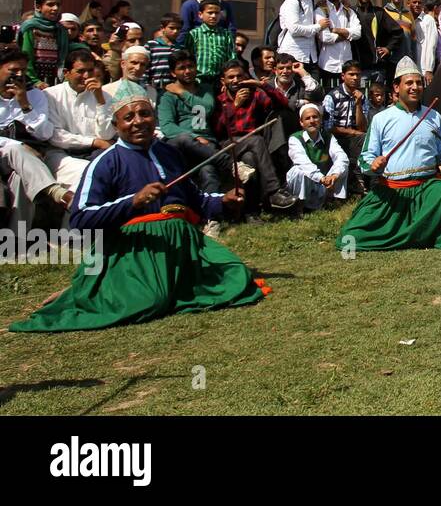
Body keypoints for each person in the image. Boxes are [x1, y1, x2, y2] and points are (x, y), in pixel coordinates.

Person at [9, 85, 266, 333]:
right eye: (128, 117)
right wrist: (132, 202)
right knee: (153, 300)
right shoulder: (105, 162)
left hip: (182, 244)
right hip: (135, 248)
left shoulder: (170, 153)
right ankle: (93, 284)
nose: (138, 121)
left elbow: (195, 199)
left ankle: (101, 284)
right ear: (116, 125)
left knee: (236, 274)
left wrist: (223, 200)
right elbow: (81, 218)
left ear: (154, 119)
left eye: (144, 114)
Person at [337, 57, 441, 251]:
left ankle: (418, 233)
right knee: (350, 237)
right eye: (409, 83)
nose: (415, 87)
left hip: (426, 186)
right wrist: (373, 166)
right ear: (396, 87)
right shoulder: (381, 119)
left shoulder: (433, 116)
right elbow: (364, 158)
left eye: (419, 83)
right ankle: (418, 234)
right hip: (392, 190)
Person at [0, 48, 70, 229]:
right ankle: (55, 191)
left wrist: (25, 104)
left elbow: (45, 134)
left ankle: (17, 238)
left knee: (20, 178)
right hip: (9, 152)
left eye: (23, 70)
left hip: (26, 158)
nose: (19, 75)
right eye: (13, 70)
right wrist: (19, 145)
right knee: (15, 149)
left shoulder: (35, 95)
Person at [214, 60, 294, 211]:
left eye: (239, 76)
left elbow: (283, 102)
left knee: (250, 158)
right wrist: (235, 106)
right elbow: (218, 129)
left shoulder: (254, 94)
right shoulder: (220, 100)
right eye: (231, 77)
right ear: (223, 80)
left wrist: (261, 85)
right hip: (228, 145)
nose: (236, 80)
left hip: (252, 146)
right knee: (256, 140)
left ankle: (251, 211)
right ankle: (274, 191)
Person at [157, 50, 230, 202]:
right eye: (182, 68)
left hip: (206, 144)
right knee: (184, 138)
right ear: (173, 73)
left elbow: (206, 109)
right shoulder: (168, 96)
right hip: (182, 145)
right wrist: (194, 136)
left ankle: (212, 216)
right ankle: (229, 163)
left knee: (208, 171)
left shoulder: (205, 89)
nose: (188, 71)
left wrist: (182, 92)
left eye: (191, 66)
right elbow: (167, 126)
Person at [42, 50, 114, 190]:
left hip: (95, 153)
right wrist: (94, 141)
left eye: (90, 71)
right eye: (80, 71)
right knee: (89, 173)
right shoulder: (50, 95)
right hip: (61, 155)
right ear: (66, 73)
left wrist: (100, 101)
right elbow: (55, 136)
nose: (86, 76)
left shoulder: (104, 96)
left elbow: (107, 135)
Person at [286, 102, 349, 211]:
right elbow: (303, 162)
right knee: (298, 170)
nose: (312, 121)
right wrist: (321, 178)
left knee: (342, 164)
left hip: (323, 182)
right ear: (301, 123)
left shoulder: (328, 137)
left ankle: (333, 200)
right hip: (307, 182)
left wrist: (334, 176)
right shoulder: (295, 139)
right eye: (307, 118)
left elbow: (341, 156)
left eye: (315, 117)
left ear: (320, 120)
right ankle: (298, 206)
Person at [323, 61, 369, 198]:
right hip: (335, 137)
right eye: (351, 74)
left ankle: (362, 182)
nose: (355, 78)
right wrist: (352, 132)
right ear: (343, 76)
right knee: (360, 137)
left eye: (358, 75)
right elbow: (328, 128)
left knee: (365, 138)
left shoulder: (361, 97)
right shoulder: (332, 97)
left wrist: (358, 104)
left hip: (355, 137)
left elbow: (362, 127)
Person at [353, 0, 403, 85]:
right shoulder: (351, 12)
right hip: (358, 69)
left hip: (378, 68)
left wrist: (388, 48)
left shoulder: (379, 12)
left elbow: (398, 32)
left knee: (379, 100)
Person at [316, 0, 361, 92]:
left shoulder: (348, 11)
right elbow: (325, 37)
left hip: (346, 64)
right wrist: (347, 34)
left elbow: (357, 33)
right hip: (327, 65)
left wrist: (337, 30)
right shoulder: (321, 10)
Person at [277, 0, 326, 69]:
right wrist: (318, 27)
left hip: (310, 56)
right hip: (293, 56)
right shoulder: (292, 1)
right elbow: (294, 29)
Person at [19, 0, 68, 87]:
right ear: (38, 7)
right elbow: (26, 56)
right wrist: (35, 81)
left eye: (58, 4)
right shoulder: (30, 28)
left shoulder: (61, 30)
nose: (55, 8)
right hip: (34, 82)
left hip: (56, 81)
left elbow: (64, 57)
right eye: (50, 4)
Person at [185, 0, 236, 87]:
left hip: (219, 81)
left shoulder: (226, 35)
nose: (213, 16)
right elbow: (188, 58)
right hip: (198, 80)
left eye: (217, 13)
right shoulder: (193, 34)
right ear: (200, 14)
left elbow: (231, 58)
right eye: (210, 13)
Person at [147, 12, 183, 88]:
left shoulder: (180, 48)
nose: (175, 31)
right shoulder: (151, 45)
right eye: (172, 28)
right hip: (154, 87)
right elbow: (145, 67)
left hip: (173, 88)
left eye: (178, 28)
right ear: (162, 28)